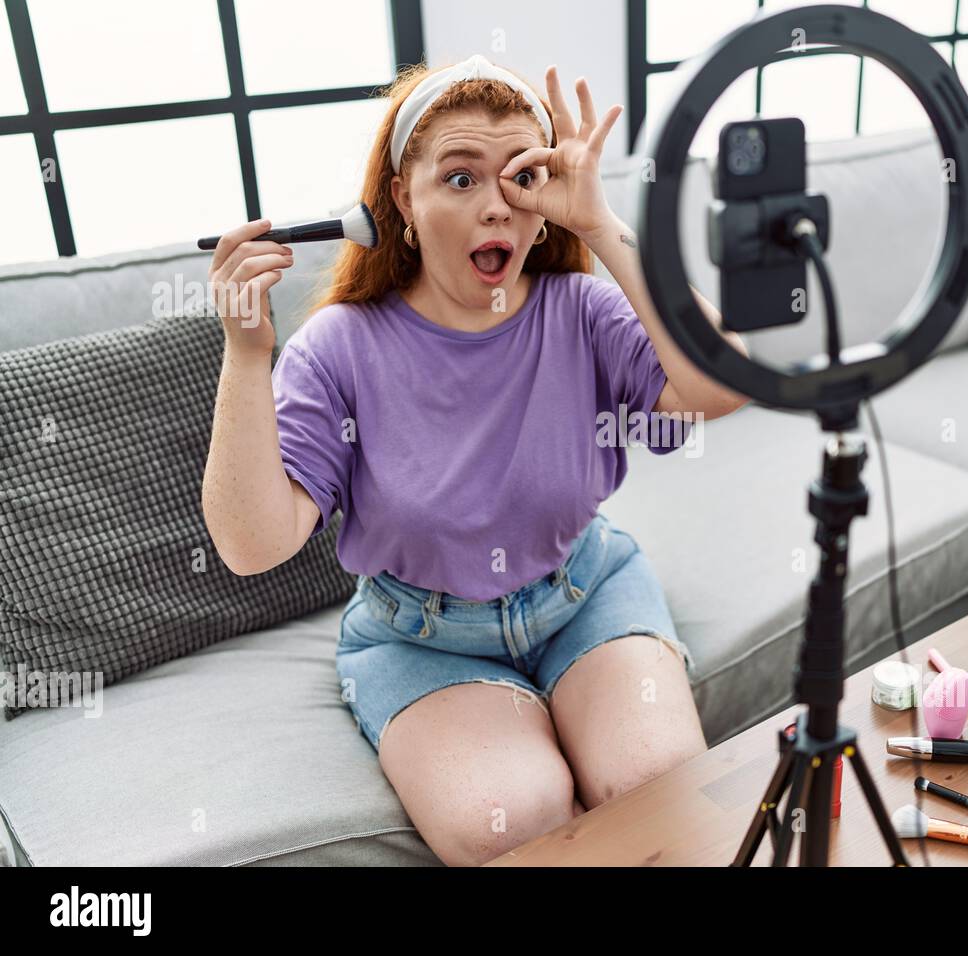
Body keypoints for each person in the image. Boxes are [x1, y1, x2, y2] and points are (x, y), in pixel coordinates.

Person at [201, 55, 750, 866]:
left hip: (582, 589)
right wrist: (247, 356)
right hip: (419, 638)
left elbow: (720, 384)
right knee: (513, 817)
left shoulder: (583, 309)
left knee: (656, 789)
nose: (496, 205)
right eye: (459, 179)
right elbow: (253, 545)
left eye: (521, 177)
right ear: (402, 203)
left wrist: (601, 225)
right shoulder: (341, 348)